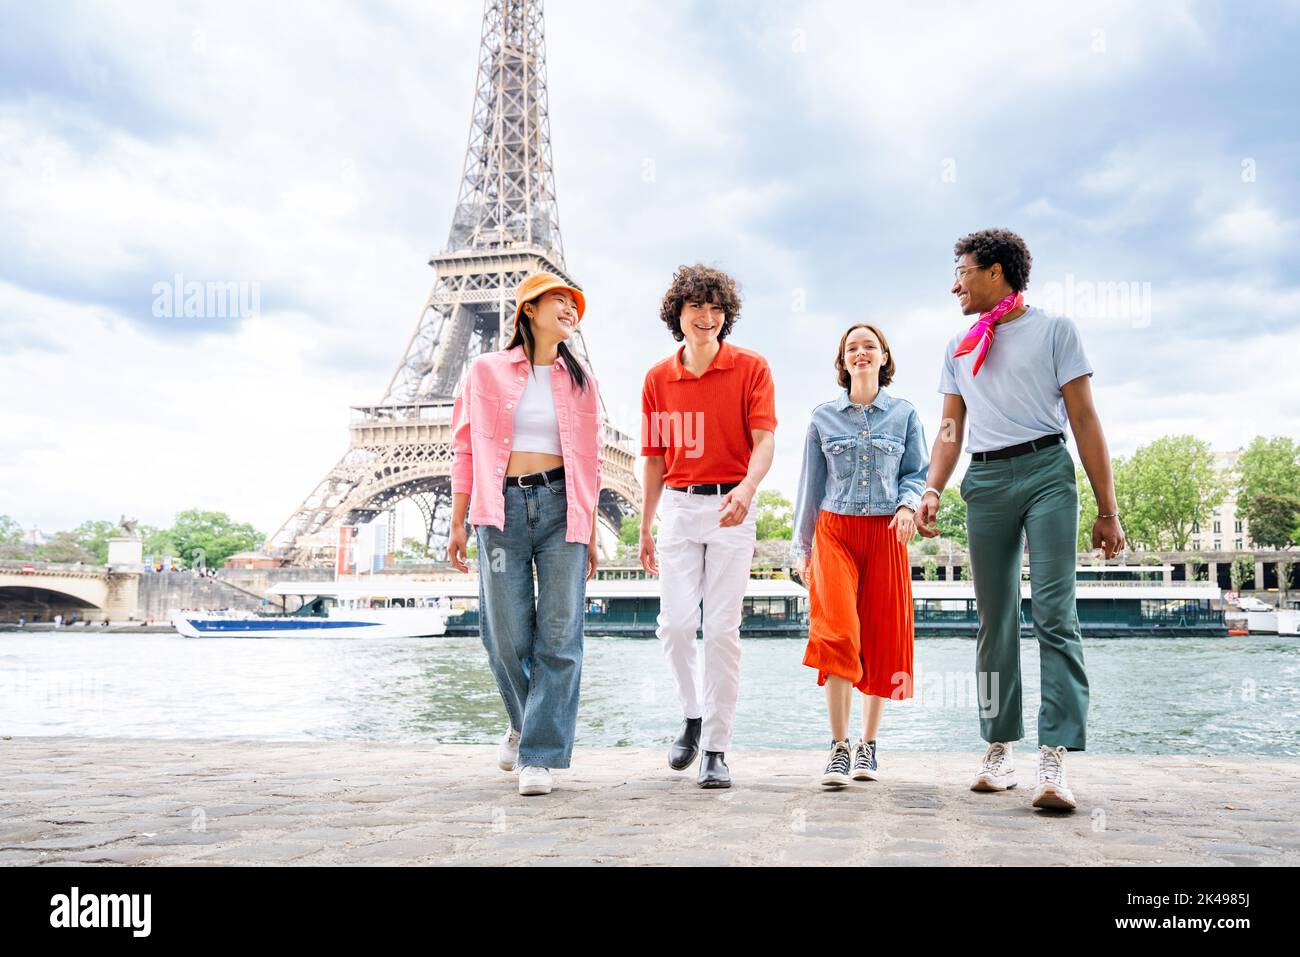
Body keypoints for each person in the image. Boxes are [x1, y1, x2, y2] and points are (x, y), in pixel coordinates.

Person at [916, 228, 1126, 811]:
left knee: (1056, 615)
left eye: (962, 271)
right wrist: (931, 489)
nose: (953, 283)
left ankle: (1054, 758)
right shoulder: (959, 344)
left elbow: (1084, 420)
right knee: (995, 620)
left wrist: (1108, 509)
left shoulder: (1056, 330)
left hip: (1046, 473)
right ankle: (999, 747)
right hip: (983, 481)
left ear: (996, 271)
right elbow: (951, 428)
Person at [448, 271, 603, 797]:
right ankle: (524, 722)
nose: (570, 309)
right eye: (559, 300)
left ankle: (536, 753)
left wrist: (592, 530)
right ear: (528, 310)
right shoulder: (484, 371)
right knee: (506, 633)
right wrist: (457, 520)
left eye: (574, 304)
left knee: (561, 636)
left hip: (563, 508)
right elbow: (465, 448)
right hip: (500, 508)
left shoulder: (582, 381)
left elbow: (591, 461)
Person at [639, 264, 777, 789]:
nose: (707, 316)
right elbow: (653, 459)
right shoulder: (657, 378)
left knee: (722, 630)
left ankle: (716, 748)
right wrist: (647, 524)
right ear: (678, 313)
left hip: (731, 509)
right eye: (696, 306)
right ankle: (692, 715)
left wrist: (746, 489)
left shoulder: (752, 368)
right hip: (678, 506)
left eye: (716, 307)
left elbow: (764, 441)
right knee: (675, 627)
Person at [791, 323, 928, 788]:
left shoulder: (905, 414)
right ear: (843, 361)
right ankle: (838, 746)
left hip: (887, 531)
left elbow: (917, 473)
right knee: (837, 634)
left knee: (880, 636)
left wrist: (909, 505)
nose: (861, 352)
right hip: (835, 531)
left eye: (870, 346)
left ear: (884, 357)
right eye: (852, 347)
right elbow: (809, 488)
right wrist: (801, 548)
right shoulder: (822, 417)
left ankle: (868, 746)